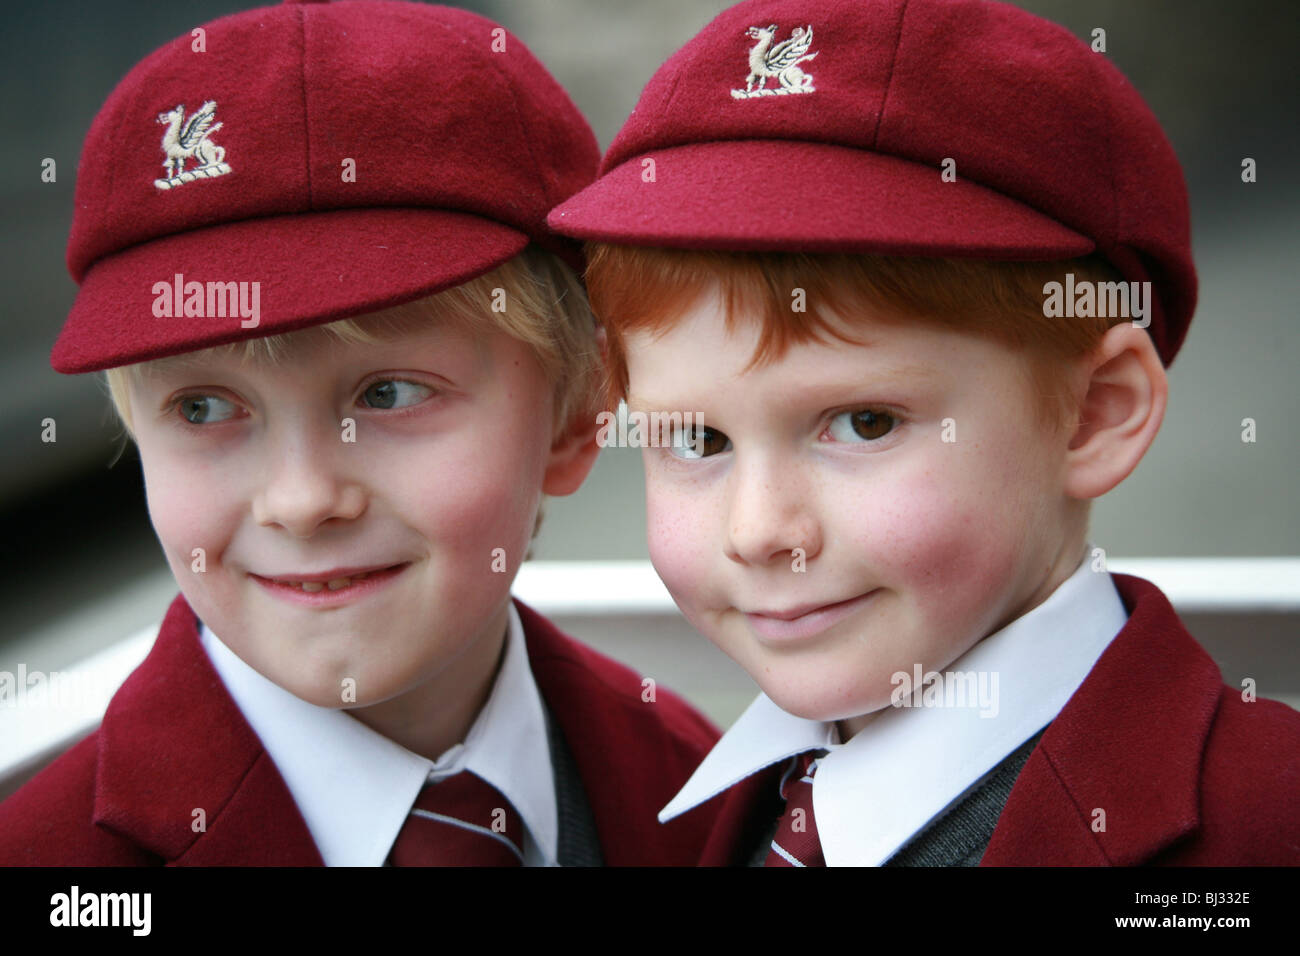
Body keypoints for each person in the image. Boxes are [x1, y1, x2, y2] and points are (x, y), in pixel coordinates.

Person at [548, 0, 1300, 865]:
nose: (758, 533)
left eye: (864, 424)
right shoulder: (686, 812)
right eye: (697, 441)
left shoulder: (1266, 829)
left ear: (1096, 414)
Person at [0, 0, 723, 866]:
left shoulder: (695, 791)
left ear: (576, 419)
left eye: (389, 393)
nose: (302, 501)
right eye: (202, 407)